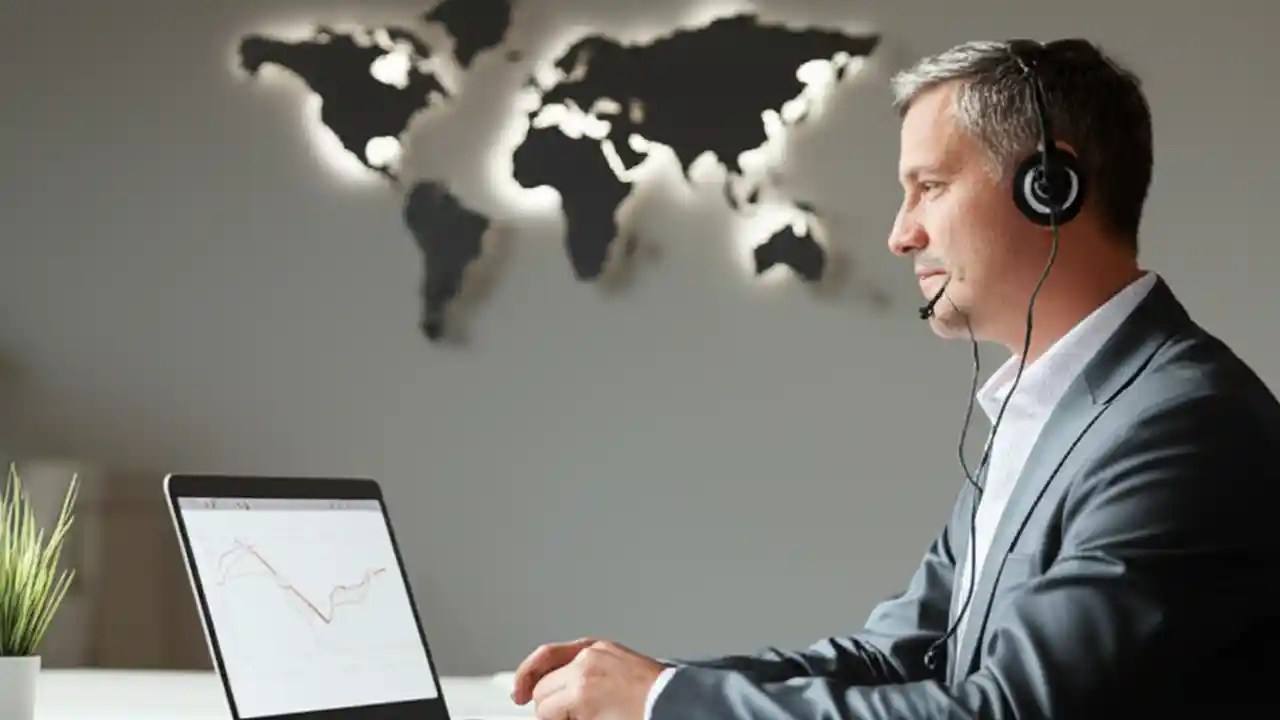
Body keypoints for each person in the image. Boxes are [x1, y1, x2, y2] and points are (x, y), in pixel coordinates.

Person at [509, 38, 1280, 718]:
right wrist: (637, 685)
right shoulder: (1051, 410)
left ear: (1050, 186)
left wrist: (659, 703)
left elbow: (1005, 710)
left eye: (930, 187)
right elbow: (898, 656)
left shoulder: (1183, 426)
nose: (900, 233)